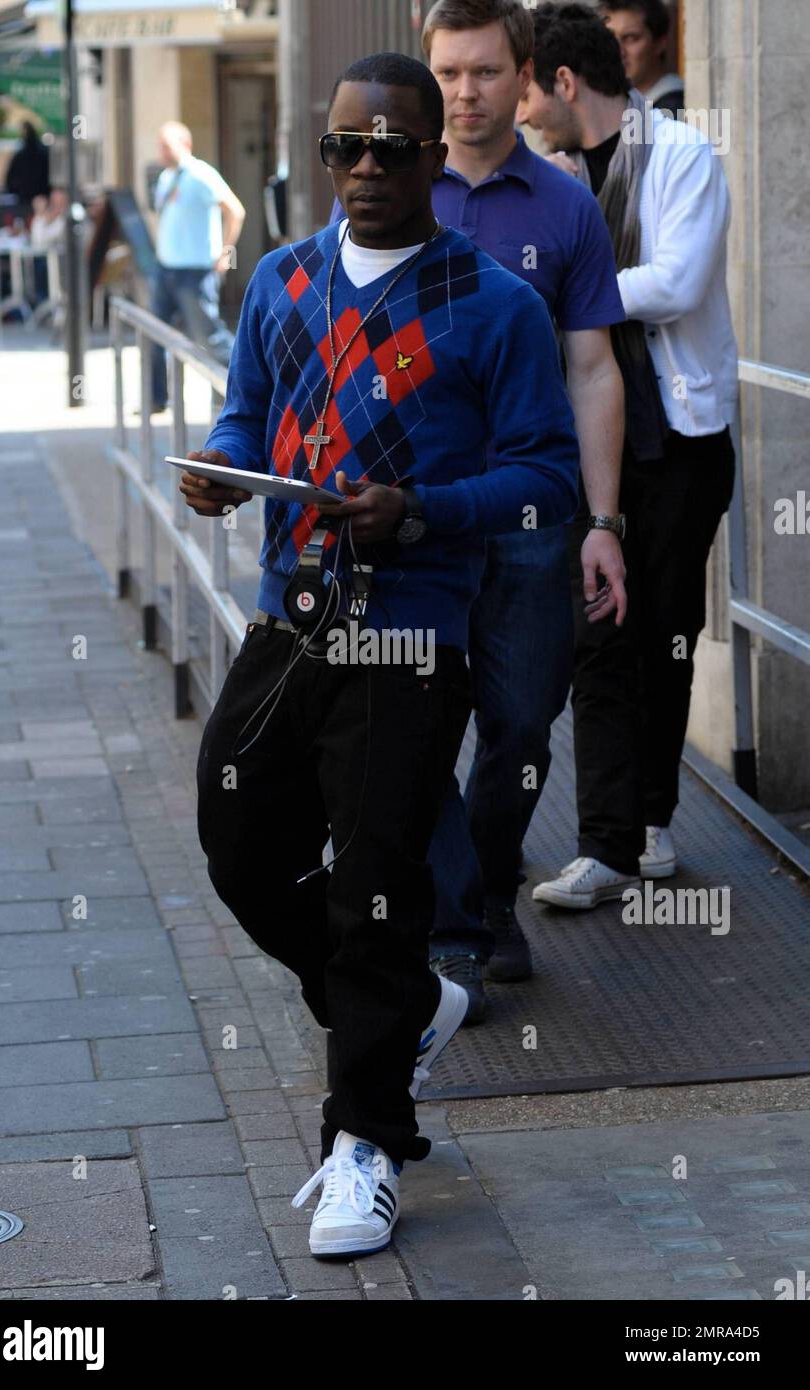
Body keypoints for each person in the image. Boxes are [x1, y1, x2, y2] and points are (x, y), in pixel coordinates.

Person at [181, 52, 579, 1259]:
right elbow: (249, 412)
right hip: (286, 618)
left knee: (371, 888)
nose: (363, 168)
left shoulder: (493, 303)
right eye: (343, 148)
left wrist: (417, 509)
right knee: (238, 838)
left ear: (429, 154)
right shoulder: (282, 280)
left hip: (410, 631)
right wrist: (216, 461)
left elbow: (545, 480)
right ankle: (407, 1005)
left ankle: (365, 1143)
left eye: (390, 148)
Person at [327, 1, 627, 1023]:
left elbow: (592, 369)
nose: (464, 92)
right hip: (412, 526)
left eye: (485, 72)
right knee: (410, 724)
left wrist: (602, 521)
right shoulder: (381, 188)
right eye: (447, 72)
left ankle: (488, 882)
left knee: (521, 722)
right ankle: (462, 917)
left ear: (524, 74)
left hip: (532, 521)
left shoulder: (563, 207)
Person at [520, 3, 737, 908]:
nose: (522, 112)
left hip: (679, 441)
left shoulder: (681, 155)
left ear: (565, 83)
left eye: (528, 91)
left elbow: (679, 282)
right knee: (600, 636)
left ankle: (650, 821)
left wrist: (569, 290)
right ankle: (604, 843)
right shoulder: (547, 176)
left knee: (665, 634)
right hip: (591, 438)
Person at [148, 122, 245, 414]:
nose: (162, 152)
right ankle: (157, 398)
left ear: (185, 144)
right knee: (155, 337)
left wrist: (226, 253)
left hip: (195, 272)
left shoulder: (201, 174)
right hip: (166, 268)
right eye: (160, 146)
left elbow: (235, 211)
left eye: (168, 146)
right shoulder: (166, 178)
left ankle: (242, 389)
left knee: (209, 338)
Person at [600, 0, 685, 116]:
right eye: (609, 38)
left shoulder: (674, 108)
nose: (618, 51)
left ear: (660, 43)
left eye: (630, 38)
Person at [4, 121, 50, 209]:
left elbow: (10, 177)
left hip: (25, 197)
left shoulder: (21, 153)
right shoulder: (43, 151)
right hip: (40, 196)